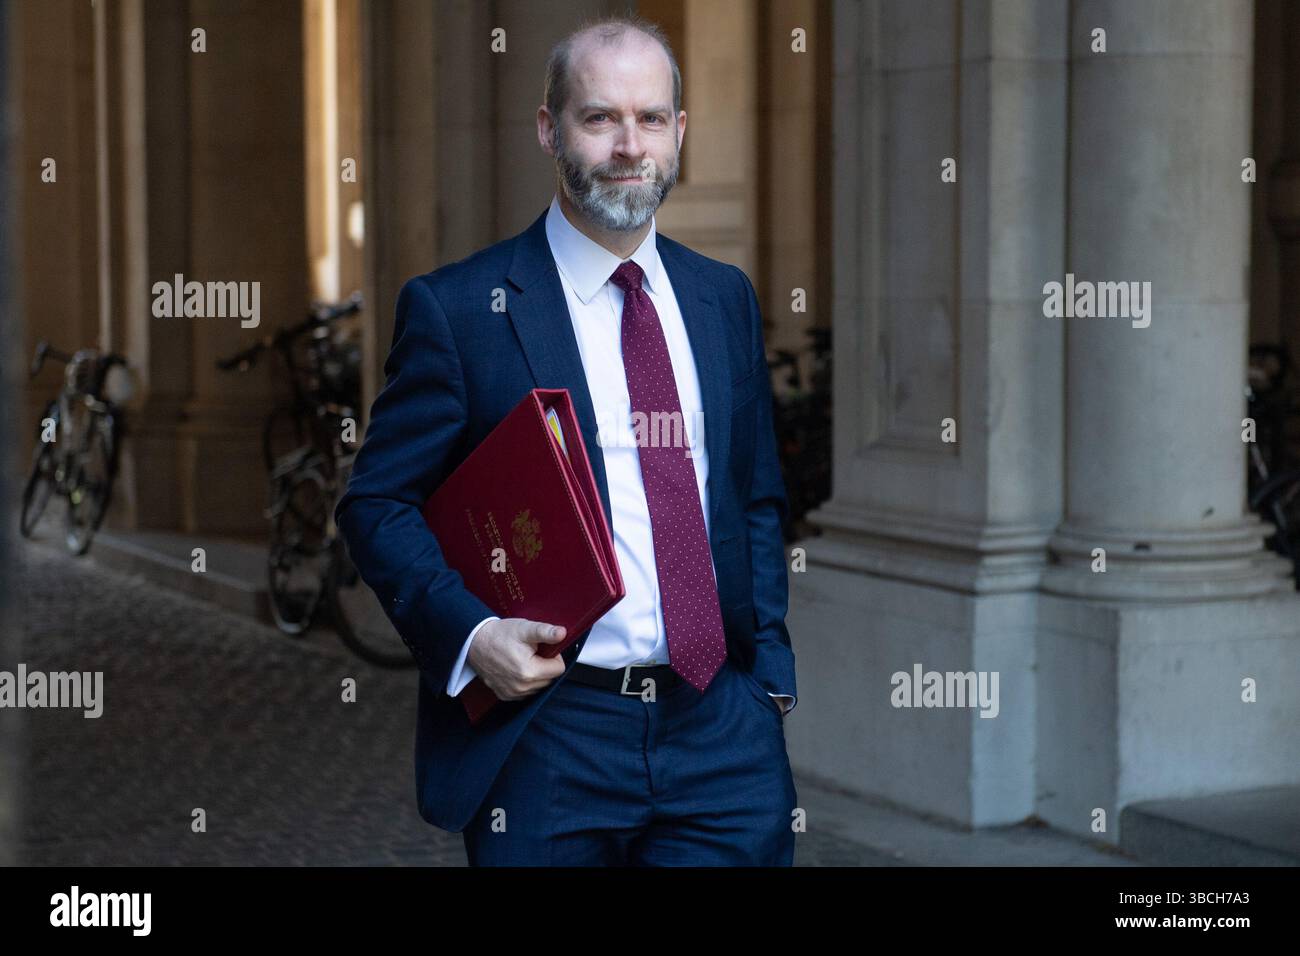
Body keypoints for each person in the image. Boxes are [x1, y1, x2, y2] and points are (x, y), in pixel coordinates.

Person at [336, 13, 798, 866]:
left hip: (720, 736)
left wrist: (767, 677)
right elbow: (376, 502)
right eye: (600, 118)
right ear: (549, 129)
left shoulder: (720, 298)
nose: (630, 145)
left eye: (651, 119)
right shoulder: (464, 310)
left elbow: (753, 495)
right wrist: (473, 636)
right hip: (551, 736)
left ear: (680, 134)